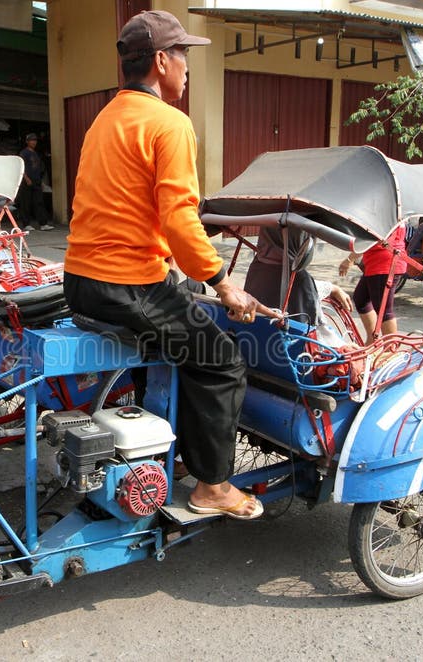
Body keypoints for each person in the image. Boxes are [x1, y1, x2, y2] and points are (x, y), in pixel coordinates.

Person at [64, 10, 275, 521]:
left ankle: (164, 453)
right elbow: (180, 220)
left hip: (80, 280)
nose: (187, 66)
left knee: (175, 341)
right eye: (182, 55)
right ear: (161, 61)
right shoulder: (170, 123)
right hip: (126, 284)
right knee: (222, 360)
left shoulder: (105, 118)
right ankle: (213, 486)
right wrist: (224, 284)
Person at [244, 225, 353, 326]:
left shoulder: (256, 267)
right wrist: (333, 288)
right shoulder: (299, 278)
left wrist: (332, 288)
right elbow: (307, 297)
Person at [338, 224, 407, 343]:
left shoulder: (385, 216)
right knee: (361, 299)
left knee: (383, 310)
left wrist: (349, 259)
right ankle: (373, 341)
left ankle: (390, 348)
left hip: (385, 265)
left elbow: (369, 241)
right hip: (376, 263)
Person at [16, 133, 54, 231]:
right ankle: (26, 224)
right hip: (27, 181)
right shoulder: (24, 153)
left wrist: (41, 181)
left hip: (36, 181)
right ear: (27, 142)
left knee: (39, 202)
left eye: (35, 140)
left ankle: (43, 224)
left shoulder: (36, 154)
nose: (34, 142)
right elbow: (20, 166)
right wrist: (26, 178)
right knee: (26, 203)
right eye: (31, 140)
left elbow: (39, 168)